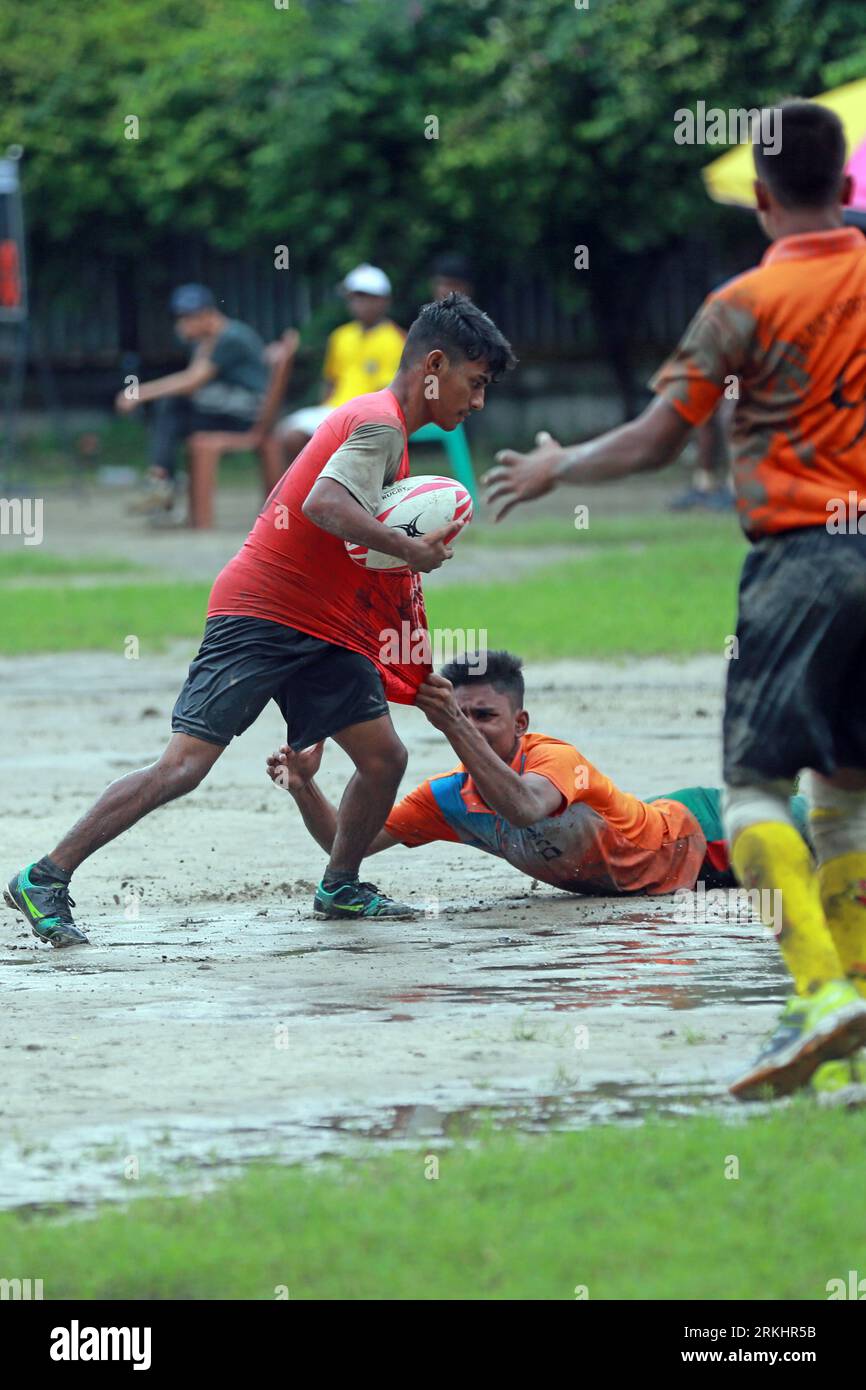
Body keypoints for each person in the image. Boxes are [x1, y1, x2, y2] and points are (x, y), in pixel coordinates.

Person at [483, 100, 866, 1100]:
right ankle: (853, 1007)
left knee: (753, 789)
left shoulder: (741, 302)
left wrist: (558, 466)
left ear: (759, 196)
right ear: (845, 184)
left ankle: (819, 990)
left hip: (800, 563)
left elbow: (658, 438)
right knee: (844, 795)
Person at [6, 294, 516, 945]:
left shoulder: (386, 429)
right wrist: (409, 548)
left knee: (384, 757)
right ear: (435, 367)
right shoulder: (380, 423)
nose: (478, 402)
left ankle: (341, 886)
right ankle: (45, 876)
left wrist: (389, 668)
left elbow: (352, 553)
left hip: (322, 626)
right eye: (476, 383)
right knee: (183, 767)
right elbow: (324, 503)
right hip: (262, 613)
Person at [266, 650, 809, 898]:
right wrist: (304, 786)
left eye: (485, 716)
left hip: (704, 832)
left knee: (835, 830)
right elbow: (347, 844)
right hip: (666, 871)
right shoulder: (449, 799)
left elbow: (524, 807)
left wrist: (451, 721)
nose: (472, 726)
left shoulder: (553, 759)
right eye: (462, 714)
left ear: (520, 723)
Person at [118, 284, 271, 514]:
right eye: (180, 318)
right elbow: (193, 382)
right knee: (172, 411)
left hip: (248, 414)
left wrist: (139, 393)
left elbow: (191, 382)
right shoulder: (209, 340)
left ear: (209, 314)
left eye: (189, 318)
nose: (182, 325)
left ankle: (161, 482)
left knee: (172, 405)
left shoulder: (231, 338)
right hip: (229, 409)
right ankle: (162, 481)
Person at [276, 264, 406, 469]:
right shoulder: (341, 336)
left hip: (367, 415)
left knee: (296, 437)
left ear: (383, 300)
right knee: (283, 434)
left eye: (364, 297)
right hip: (334, 409)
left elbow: (386, 393)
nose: (358, 303)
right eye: (354, 297)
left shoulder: (395, 339)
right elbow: (330, 381)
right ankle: (289, 490)